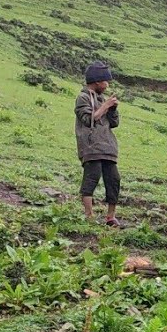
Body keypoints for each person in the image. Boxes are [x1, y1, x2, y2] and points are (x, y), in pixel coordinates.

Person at [74, 61, 121, 226]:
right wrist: (106, 105)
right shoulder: (83, 97)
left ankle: (110, 217)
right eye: (105, 82)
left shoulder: (102, 99)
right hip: (91, 146)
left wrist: (112, 109)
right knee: (91, 178)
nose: (107, 85)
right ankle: (89, 215)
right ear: (97, 82)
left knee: (114, 180)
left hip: (108, 147)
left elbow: (114, 124)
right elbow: (89, 119)